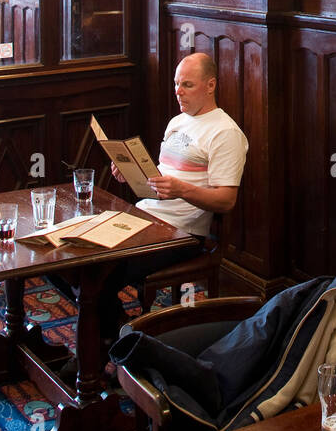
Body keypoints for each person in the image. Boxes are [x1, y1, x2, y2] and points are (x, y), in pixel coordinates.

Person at [94, 52, 248, 346]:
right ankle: (118, 339)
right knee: (80, 258)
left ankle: (109, 348)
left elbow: (226, 201)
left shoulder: (225, 133)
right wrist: (132, 173)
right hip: (146, 215)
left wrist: (182, 191)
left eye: (187, 85)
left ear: (211, 85)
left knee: (100, 274)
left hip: (182, 233)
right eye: (176, 84)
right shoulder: (177, 122)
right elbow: (160, 181)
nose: (178, 91)